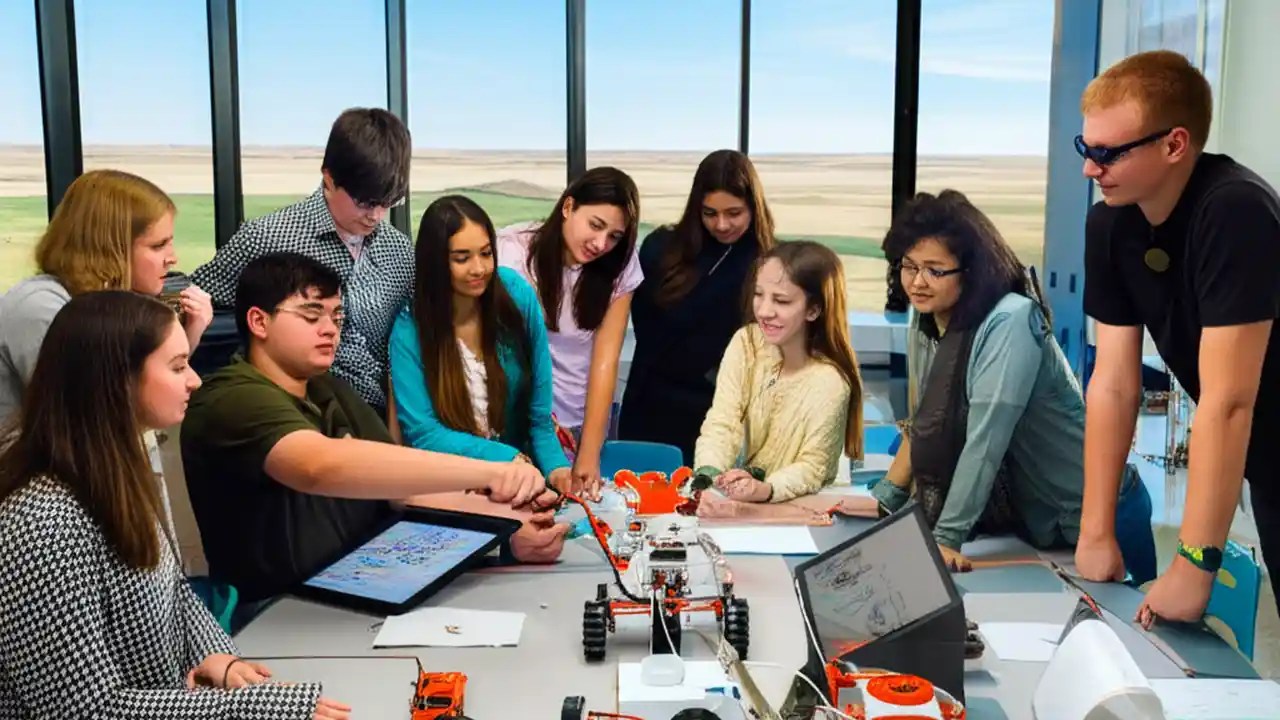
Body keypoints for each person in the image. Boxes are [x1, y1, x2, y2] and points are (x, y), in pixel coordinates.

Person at [0, 291, 346, 719]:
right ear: (118, 380)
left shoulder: (116, 470)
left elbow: (175, 591)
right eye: (178, 366)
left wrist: (219, 658)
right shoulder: (44, 522)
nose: (195, 380)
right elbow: (84, 711)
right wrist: (259, 708)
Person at [181, 253, 562, 612]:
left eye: (336, 316)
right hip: (276, 610)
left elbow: (403, 487)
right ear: (258, 322)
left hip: (359, 586)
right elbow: (318, 466)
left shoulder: (328, 389)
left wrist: (514, 524)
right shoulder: (232, 397)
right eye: (312, 315)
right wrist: (492, 472)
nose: (330, 329)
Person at [1076, 50, 1280, 627]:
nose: (1091, 169)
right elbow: (1114, 383)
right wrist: (1096, 530)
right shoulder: (1111, 222)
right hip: (1266, 461)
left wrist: (1193, 565)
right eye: (1086, 149)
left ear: (1174, 144)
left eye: (1109, 153)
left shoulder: (1235, 209)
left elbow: (1229, 401)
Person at [859, 190, 1157, 579]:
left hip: (1099, 518)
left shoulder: (1011, 319)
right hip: (1036, 524)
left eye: (934, 270)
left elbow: (985, 439)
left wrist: (946, 538)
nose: (917, 282)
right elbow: (924, 424)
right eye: (909, 266)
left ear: (971, 271)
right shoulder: (928, 318)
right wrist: (885, 500)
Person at [190, 107, 414, 415]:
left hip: (386, 417)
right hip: (296, 415)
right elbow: (198, 310)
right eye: (365, 201)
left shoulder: (400, 251)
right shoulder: (267, 238)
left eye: (389, 202)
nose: (376, 215)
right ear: (329, 178)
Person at [0, 169, 213, 424]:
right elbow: (97, 418)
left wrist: (187, 337)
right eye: (158, 246)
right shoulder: (41, 308)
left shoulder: (110, 303)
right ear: (108, 249)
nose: (172, 258)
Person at [390, 196, 571, 487]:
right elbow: (423, 434)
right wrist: (506, 458)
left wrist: (558, 470)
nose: (479, 269)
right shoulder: (409, 329)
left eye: (486, 253)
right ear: (435, 262)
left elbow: (539, 418)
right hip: (450, 486)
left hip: (519, 478)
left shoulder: (516, 295)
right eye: (462, 258)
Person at [619, 150, 777, 465]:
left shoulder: (769, 264)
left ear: (753, 207)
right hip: (650, 404)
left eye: (734, 213)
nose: (721, 224)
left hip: (720, 413)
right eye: (710, 213)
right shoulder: (661, 248)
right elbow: (646, 328)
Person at [496, 167, 642, 497]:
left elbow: (606, 362)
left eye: (615, 236)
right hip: (516, 426)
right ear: (568, 207)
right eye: (595, 225)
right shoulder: (512, 253)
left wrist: (589, 452)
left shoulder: (619, 265)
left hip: (579, 424)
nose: (602, 243)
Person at [694, 241, 864, 503]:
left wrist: (766, 489)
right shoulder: (746, 342)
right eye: (758, 294)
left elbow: (812, 466)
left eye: (781, 301)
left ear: (813, 310)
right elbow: (723, 422)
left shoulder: (830, 381)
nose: (763, 311)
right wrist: (708, 475)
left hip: (802, 511)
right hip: (744, 504)